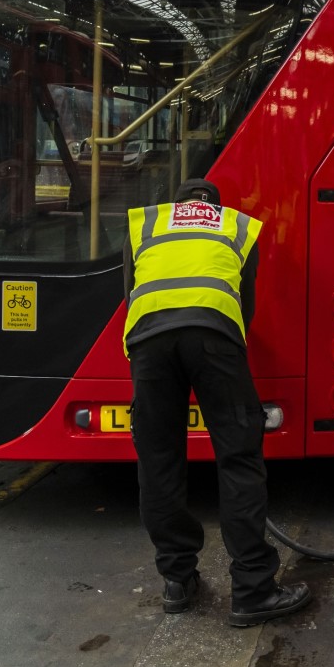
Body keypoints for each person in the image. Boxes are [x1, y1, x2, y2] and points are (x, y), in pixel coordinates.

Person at [123, 178, 310, 627]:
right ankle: (253, 591)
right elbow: (244, 304)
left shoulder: (147, 224)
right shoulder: (235, 225)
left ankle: (177, 580)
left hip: (149, 343)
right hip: (214, 339)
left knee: (158, 459)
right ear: (213, 205)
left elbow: (130, 291)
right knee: (239, 457)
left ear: (177, 204)